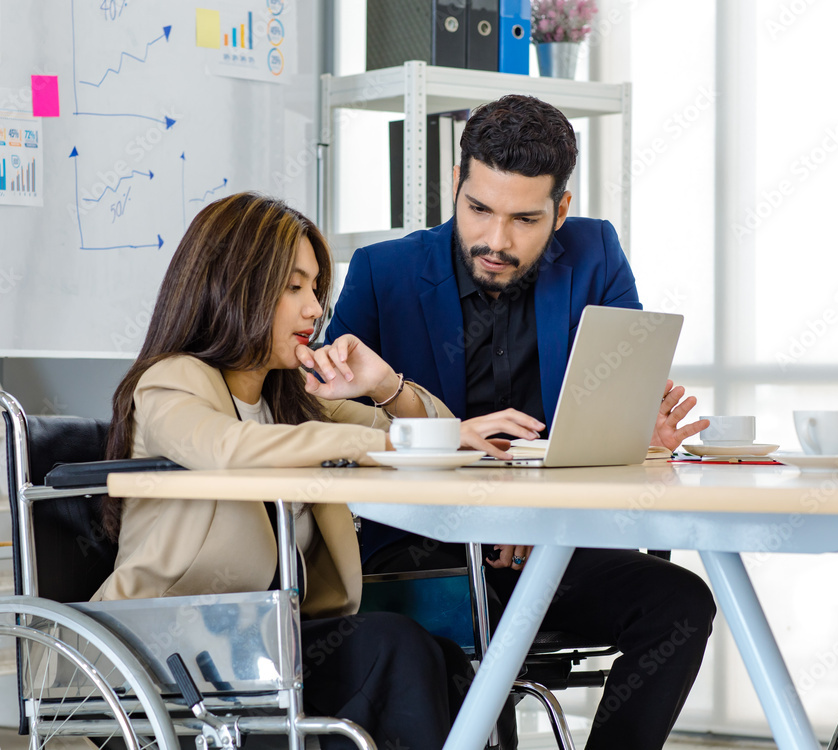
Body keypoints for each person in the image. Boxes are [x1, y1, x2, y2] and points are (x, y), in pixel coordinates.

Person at [324, 95, 718, 750]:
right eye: (478, 208)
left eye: (525, 219)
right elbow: (338, 430)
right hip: (426, 550)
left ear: (561, 211)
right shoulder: (382, 273)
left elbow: (616, 418)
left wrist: (632, 442)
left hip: (556, 539)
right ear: (456, 183)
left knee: (679, 605)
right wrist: (484, 517)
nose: (495, 241)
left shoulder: (595, 254)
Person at [93, 192, 523, 750]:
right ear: (232, 287)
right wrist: (382, 440)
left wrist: (380, 384)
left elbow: (445, 433)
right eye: (294, 287)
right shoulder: (172, 382)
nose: (315, 309)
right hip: (175, 644)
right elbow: (228, 447)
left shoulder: (289, 395)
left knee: (445, 659)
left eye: (316, 288)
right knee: (394, 648)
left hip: (268, 640)